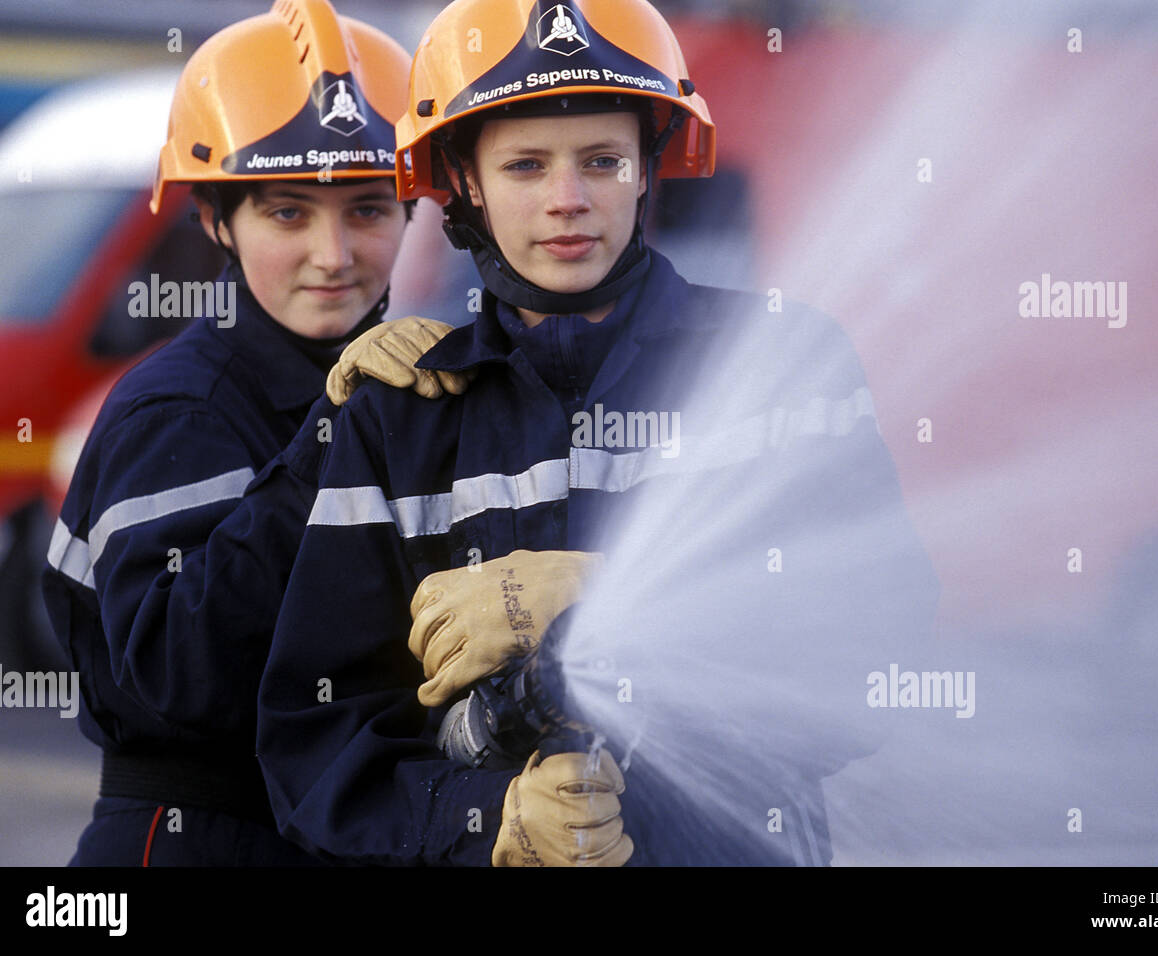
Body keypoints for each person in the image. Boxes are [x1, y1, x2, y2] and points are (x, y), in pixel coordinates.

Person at [257, 0, 937, 866]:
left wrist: (606, 601)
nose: (568, 201)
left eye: (602, 161)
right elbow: (319, 732)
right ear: (462, 182)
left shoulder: (778, 371)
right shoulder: (403, 417)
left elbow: (876, 645)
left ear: (649, 167)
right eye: (526, 166)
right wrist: (485, 818)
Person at [42, 0, 466, 866]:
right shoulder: (180, 411)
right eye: (287, 214)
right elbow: (178, 677)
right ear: (214, 221)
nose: (333, 253)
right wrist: (328, 438)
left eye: (367, 210)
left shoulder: (412, 387)